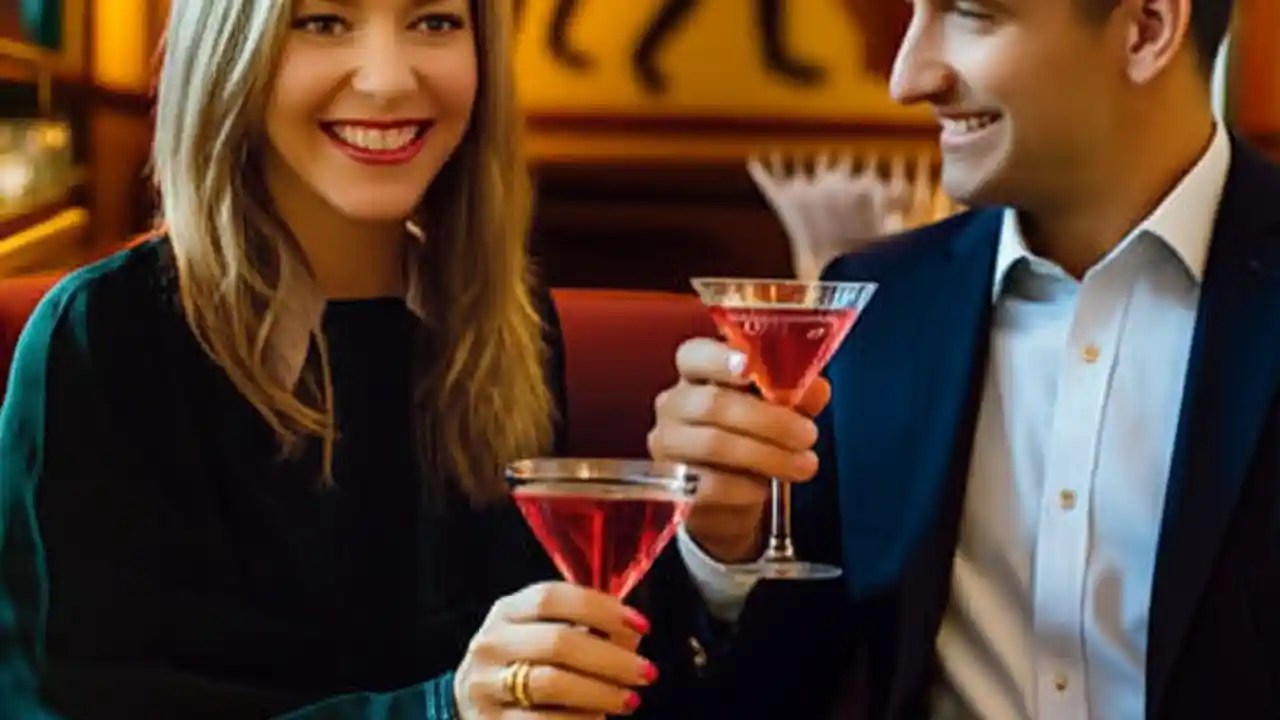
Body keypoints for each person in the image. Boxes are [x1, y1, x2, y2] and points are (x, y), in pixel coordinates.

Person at [0, 0, 703, 717]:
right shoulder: (102, 339)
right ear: (229, 53)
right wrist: (444, 709)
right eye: (322, 21)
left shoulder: (508, 324)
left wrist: (718, 546)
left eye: (434, 22)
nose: (389, 79)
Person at [650, 0, 1280, 717]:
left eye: (971, 15)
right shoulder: (882, 307)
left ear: (1146, 28)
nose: (907, 78)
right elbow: (767, 695)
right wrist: (725, 553)